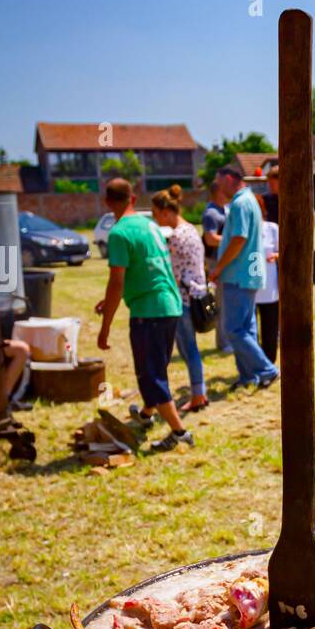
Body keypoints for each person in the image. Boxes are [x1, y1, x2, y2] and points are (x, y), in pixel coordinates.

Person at [96, 178, 192, 452]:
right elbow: (145, 269)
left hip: (148, 312)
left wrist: (105, 328)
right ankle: (147, 414)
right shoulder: (149, 224)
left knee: (150, 374)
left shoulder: (119, 233)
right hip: (169, 305)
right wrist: (109, 300)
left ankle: (180, 432)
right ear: (133, 199)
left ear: (107, 202)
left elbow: (116, 282)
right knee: (156, 368)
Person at [207, 166, 279, 390]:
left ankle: (267, 370)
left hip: (238, 274)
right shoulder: (250, 200)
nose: (219, 188)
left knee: (233, 329)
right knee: (246, 328)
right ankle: (248, 376)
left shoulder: (240, 203)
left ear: (229, 179)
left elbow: (239, 238)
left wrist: (219, 267)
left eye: (219, 183)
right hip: (249, 273)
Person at [151, 189, 209, 414]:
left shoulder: (176, 237)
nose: (155, 219)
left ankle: (198, 395)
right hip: (196, 294)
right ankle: (199, 392)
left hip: (183, 298)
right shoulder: (191, 229)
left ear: (166, 212)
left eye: (156, 214)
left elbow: (172, 272)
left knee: (188, 348)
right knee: (189, 347)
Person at [202, 178, 231, 351]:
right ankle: (223, 343)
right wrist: (234, 240)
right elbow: (210, 239)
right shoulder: (211, 213)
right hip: (216, 262)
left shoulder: (223, 210)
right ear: (219, 192)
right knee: (222, 303)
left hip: (223, 261)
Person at [255, 194, 280, 363]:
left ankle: (269, 364)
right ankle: (255, 363)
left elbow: (283, 250)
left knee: (270, 328)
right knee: (251, 331)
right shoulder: (245, 232)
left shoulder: (272, 228)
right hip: (250, 287)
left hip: (269, 288)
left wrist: (275, 256)